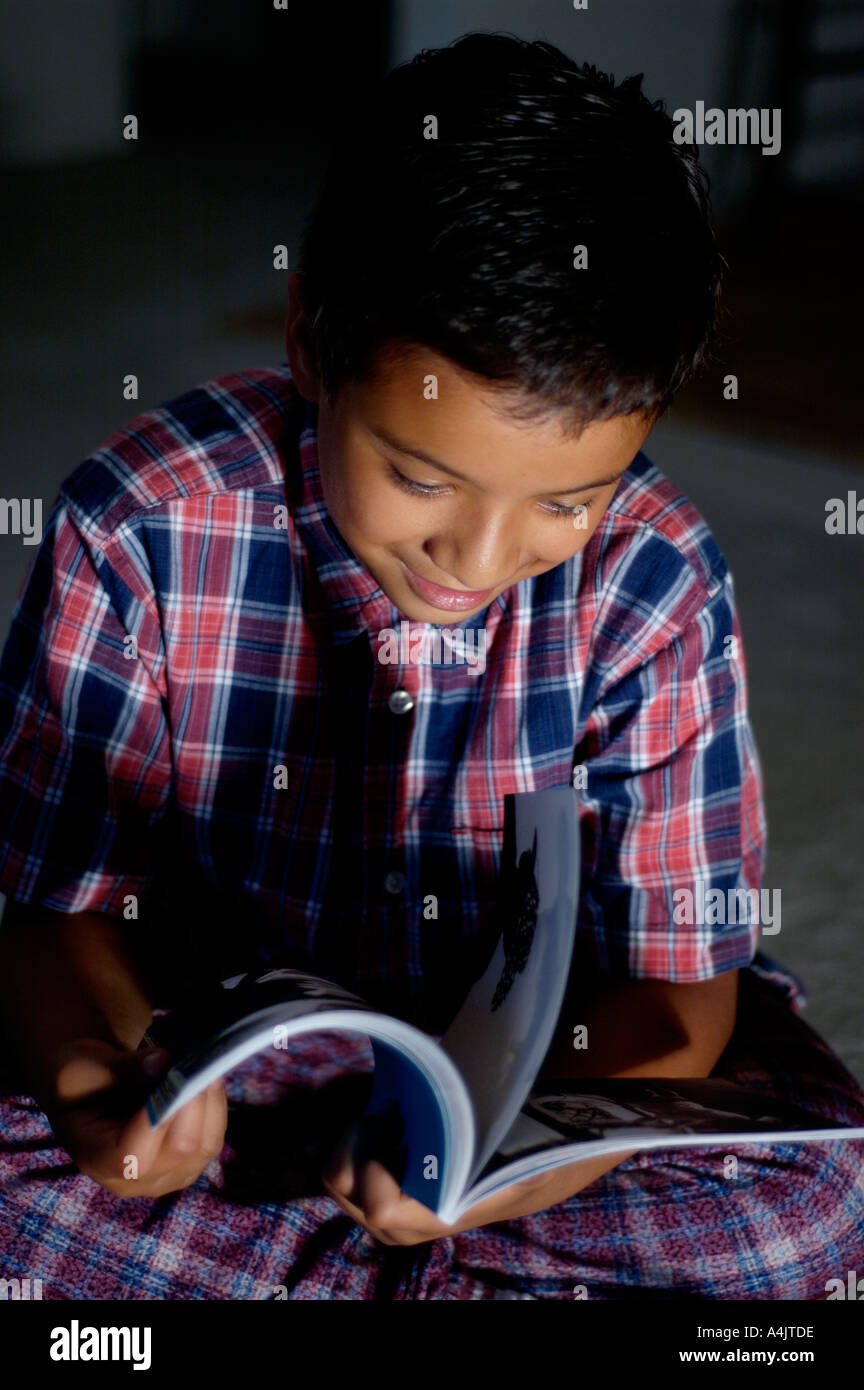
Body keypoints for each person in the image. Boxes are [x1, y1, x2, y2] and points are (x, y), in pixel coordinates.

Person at [0, 33, 862, 1301]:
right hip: (216, 1047)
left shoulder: (657, 576)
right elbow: (51, 901)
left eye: (567, 501)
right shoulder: (142, 520)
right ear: (310, 341)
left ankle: (298, 1276)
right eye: (418, 475)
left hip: (550, 1066)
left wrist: (519, 1162)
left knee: (816, 1219)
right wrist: (96, 1075)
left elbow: (682, 1000)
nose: (480, 555)